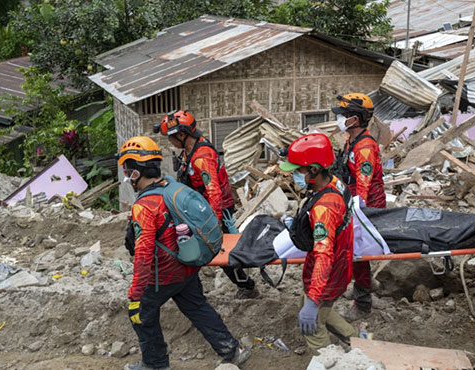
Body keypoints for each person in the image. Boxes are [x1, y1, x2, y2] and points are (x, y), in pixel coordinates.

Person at [118, 136, 250, 370]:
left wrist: (135, 294)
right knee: (197, 307)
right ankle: (232, 350)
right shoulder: (172, 187)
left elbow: (144, 253)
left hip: (162, 275)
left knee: (142, 315)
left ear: (135, 172)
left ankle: (155, 364)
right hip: (187, 265)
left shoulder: (145, 206)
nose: (127, 176)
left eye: (127, 170)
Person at [154, 110, 260, 299]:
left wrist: (214, 223)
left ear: (181, 135)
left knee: (220, 251)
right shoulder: (190, 150)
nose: (170, 142)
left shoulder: (202, 158)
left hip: (214, 210)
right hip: (201, 208)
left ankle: (247, 286)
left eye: (171, 138)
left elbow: (214, 192)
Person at [278, 133, 358, 352]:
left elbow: (324, 255)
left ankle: (329, 361)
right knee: (318, 309)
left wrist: (313, 300)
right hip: (340, 264)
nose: (293, 175)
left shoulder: (324, 208)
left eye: (298, 170)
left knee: (312, 325)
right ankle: (359, 340)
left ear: (314, 170)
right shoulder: (335, 183)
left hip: (327, 273)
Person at [330, 93, 384, 322]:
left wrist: (356, 211)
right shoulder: (351, 140)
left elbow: (363, 184)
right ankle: (367, 283)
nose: (340, 119)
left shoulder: (364, 148)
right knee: (356, 252)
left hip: (367, 205)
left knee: (357, 253)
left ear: (356, 118)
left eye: (344, 115)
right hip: (353, 200)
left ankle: (363, 303)